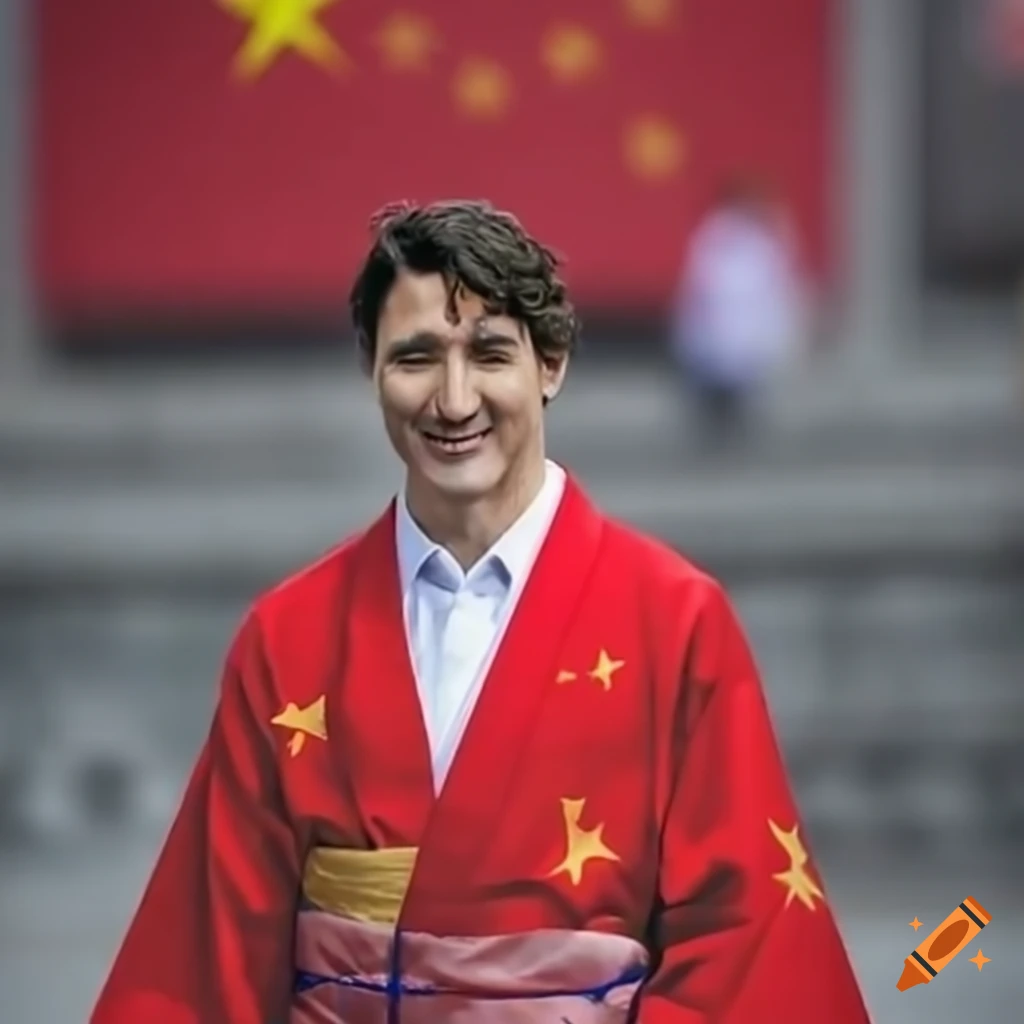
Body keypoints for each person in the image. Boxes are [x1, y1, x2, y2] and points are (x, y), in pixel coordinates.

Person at [91, 200, 869, 1023]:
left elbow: (747, 951)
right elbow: (201, 963)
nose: (454, 400)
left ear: (552, 363)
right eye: (416, 358)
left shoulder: (673, 623)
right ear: (372, 368)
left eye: (490, 353)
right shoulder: (289, 638)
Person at [671, 177, 805, 446]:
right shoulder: (715, 237)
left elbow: (777, 289)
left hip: (744, 334)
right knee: (716, 393)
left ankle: (734, 435)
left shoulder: (763, 242)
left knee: (741, 390)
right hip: (718, 330)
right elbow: (699, 288)